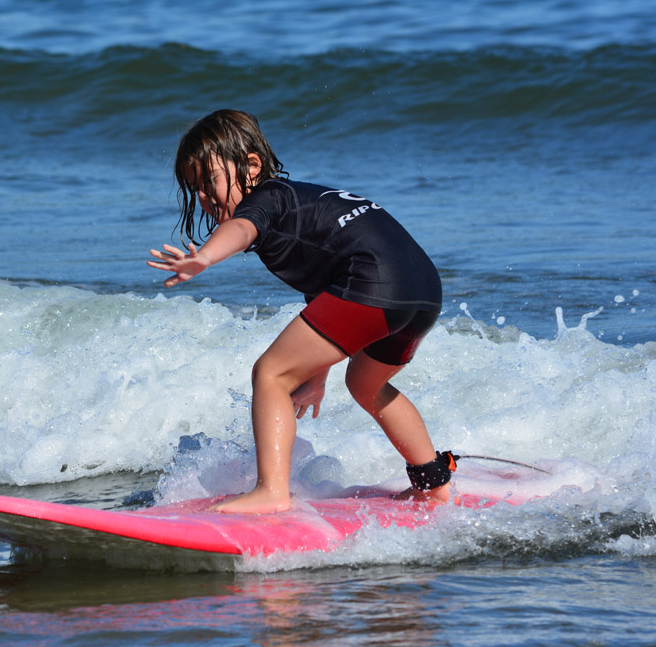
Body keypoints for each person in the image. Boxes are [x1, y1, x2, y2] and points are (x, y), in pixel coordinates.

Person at [147, 109, 454, 514]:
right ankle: (433, 483)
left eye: (210, 182)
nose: (204, 198)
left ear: (252, 166)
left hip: (375, 284)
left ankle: (271, 492)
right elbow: (329, 297)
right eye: (196, 189)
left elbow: (241, 230)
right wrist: (317, 375)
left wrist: (204, 257)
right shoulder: (304, 205)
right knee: (367, 385)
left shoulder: (267, 200)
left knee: (270, 373)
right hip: (422, 289)